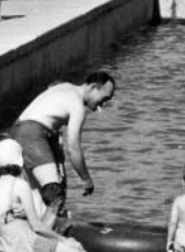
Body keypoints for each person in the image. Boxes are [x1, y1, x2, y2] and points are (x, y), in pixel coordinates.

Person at [9, 72, 117, 229]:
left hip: (18, 130)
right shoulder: (78, 106)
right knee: (55, 197)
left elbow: (49, 107)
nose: (103, 105)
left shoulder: (64, 87)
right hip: (32, 134)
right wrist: (86, 179)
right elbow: (73, 147)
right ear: (94, 88)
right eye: (105, 98)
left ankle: (29, 230)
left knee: (37, 196)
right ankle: (42, 244)